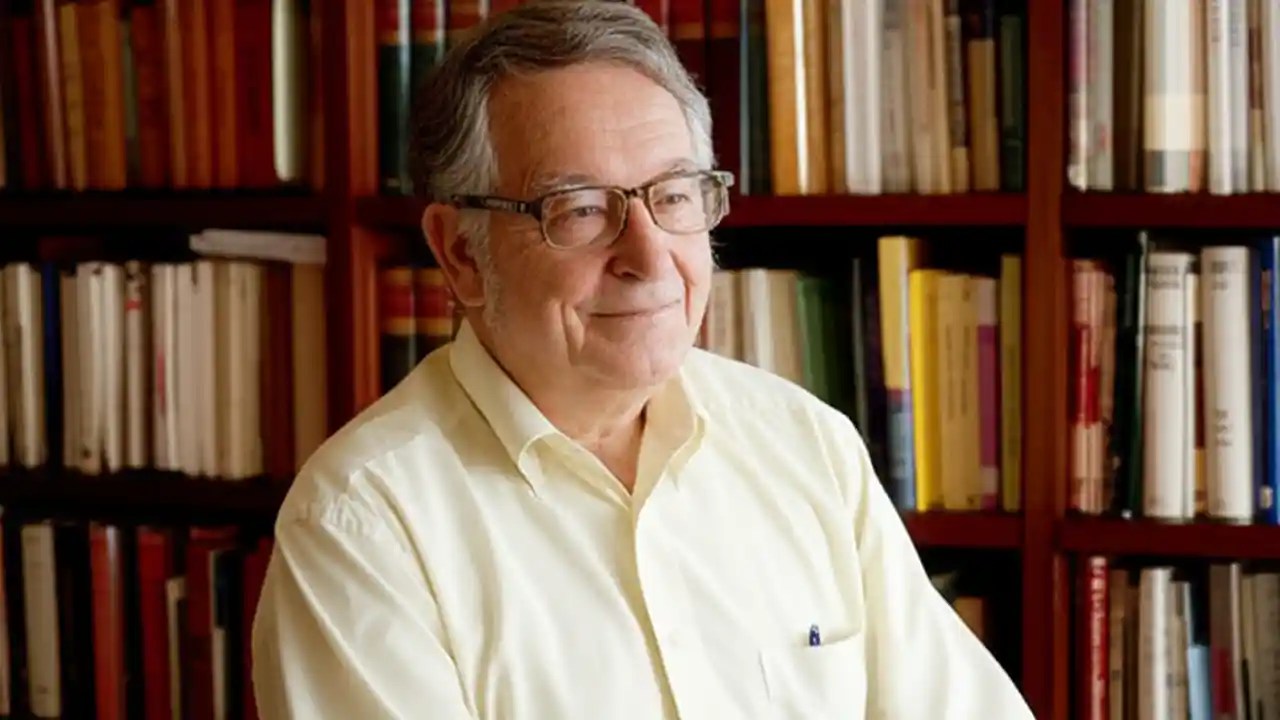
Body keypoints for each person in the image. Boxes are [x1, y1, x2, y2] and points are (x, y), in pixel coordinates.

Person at [250, 1, 1036, 718]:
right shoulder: (365, 525)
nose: (650, 257)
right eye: (581, 209)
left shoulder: (805, 445)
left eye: (674, 195)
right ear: (460, 253)